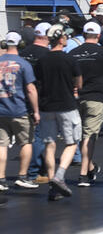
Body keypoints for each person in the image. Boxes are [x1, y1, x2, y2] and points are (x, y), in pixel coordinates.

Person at [36, 26, 83, 200]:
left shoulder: (42, 60)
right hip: (67, 105)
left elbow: (38, 82)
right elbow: (79, 82)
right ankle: (59, 176)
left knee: (50, 144)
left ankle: (52, 186)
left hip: (47, 106)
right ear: (61, 39)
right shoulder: (69, 59)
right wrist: (75, 86)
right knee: (71, 143)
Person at [69, 21, 103, 187]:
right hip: (96, 97)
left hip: (76, 99)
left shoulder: (73, 53)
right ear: (98, 35)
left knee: (81, 135)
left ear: (83, 34)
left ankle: (90, 167)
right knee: (89, 136)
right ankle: (83, 175)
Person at [0, 32, 39, 190]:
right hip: (19, 109)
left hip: (1, 109)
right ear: (20, 44)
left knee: (1, 145)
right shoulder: (24, 63)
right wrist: (36, 111)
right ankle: (22, 176)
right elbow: (30, 89)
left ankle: (1, 178)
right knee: (26, 142)